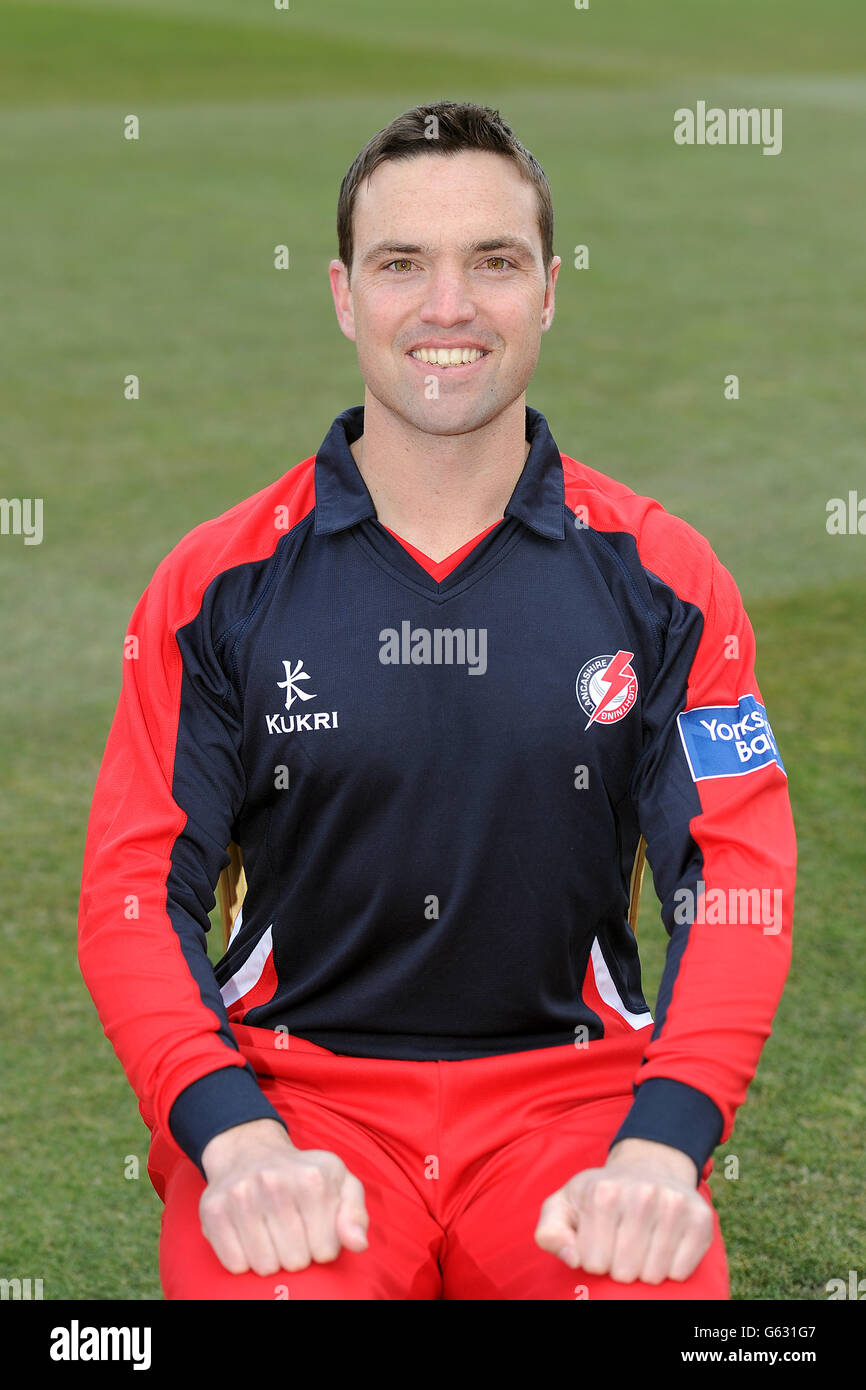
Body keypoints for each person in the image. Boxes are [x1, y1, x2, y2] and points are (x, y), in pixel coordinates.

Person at [77, 100, 796, 1300]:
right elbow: (131, 892)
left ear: (550, 290)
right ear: (343, 294)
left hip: (572, 1110)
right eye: (402, 263)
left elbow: (736, 881)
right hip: (297, 1104)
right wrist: (229, 1131)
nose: (448, 307)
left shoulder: (668, 580)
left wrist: (662, 1143)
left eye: (493, 263)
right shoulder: (215, 585)